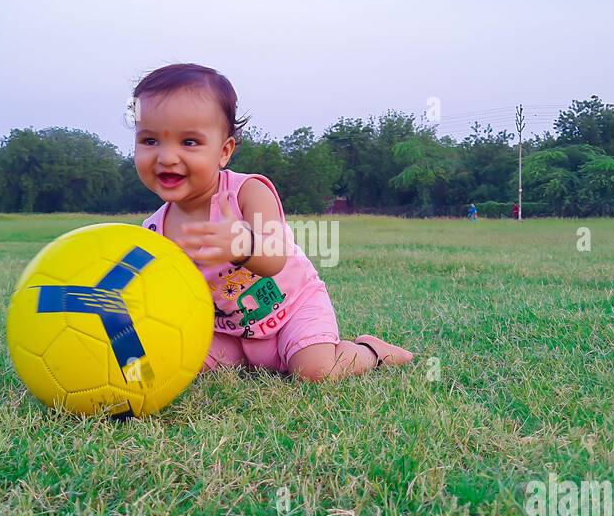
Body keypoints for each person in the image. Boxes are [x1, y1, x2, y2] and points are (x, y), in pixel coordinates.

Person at [134, 63, 414, 382]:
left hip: (293, 308)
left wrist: (239, 243)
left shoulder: (247, 192)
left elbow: (274, 256)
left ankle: (370, 352)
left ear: (224, 151)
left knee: (315, 371)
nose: (167, 157)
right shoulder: (154, 231)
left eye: (189, 142)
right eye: (150, 141)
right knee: (179, 365)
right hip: (228, 332)